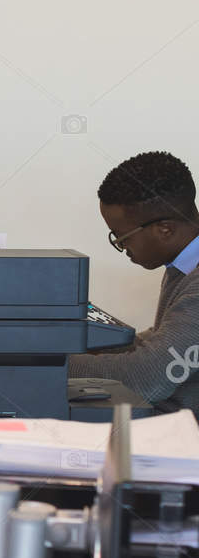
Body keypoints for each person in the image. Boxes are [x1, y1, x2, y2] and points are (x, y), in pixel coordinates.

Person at [70, 151, 199, 414]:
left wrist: (51, 363)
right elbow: (167, 342)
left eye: (121, 238)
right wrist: (93, 343)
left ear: (165, 229)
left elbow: (148, 377)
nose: (122, 248)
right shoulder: (183, 267)